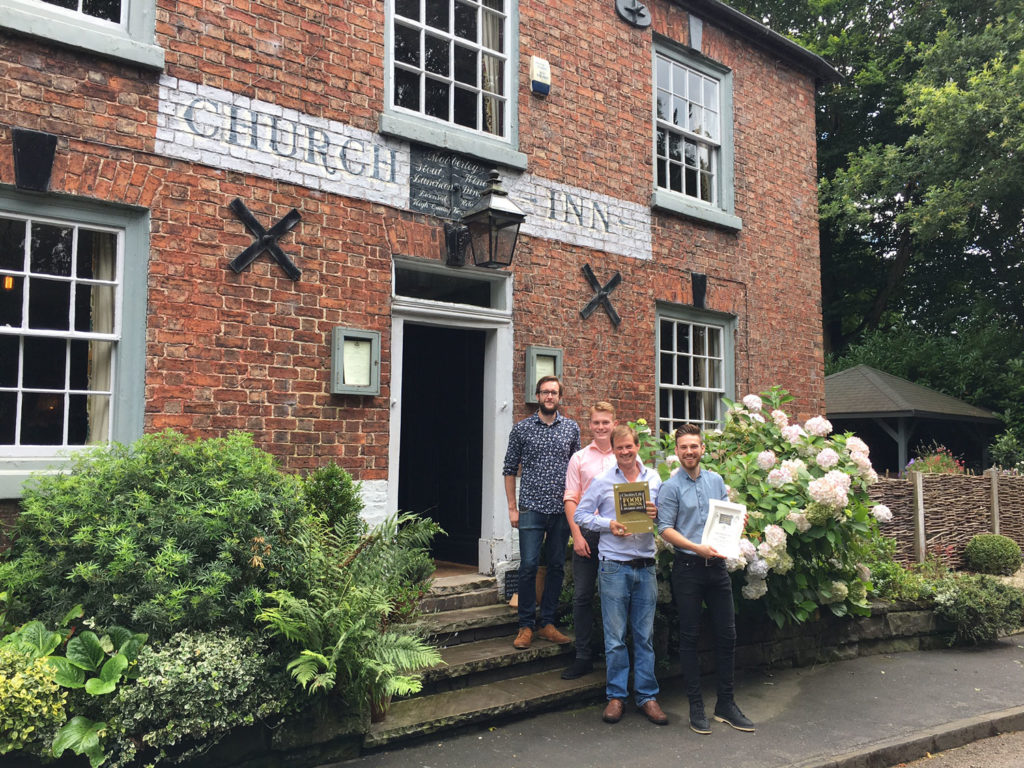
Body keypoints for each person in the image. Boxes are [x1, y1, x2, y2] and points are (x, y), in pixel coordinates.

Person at [656, 423, 755, 734]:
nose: (689, 452)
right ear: (676, 451)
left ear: (702, 449)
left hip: (718, 569)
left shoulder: (716, 480)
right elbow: (665, 529)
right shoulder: (670, 488)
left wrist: (739, 521)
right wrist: (695, 547)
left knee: (728, 636)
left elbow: (724, 517)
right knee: (689, 638)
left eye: (694, 446)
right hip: (687, 570)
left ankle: (725, 703)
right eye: (683, 447)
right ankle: (696, 706)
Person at [574, 424, 667, 726]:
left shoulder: (653, 478)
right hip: (613, 565)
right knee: (615, 638)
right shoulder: (602, 481)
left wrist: (656, 513)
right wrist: (607, 525)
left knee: (645, 636)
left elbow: (666, 517)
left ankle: (647, 697)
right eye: (619, 448)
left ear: (637, 446)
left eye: (630, 446)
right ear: (613, 450)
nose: (625, 452)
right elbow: (580, 515)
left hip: (645, 565)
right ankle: (616, 696)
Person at [502, 375, 581, 650]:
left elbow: (577, 469)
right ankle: (525, 625)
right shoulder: (521, 429)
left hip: (562, 510)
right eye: (545, 392)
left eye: (554, 392)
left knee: (557, 566)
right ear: (537, 396)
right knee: (528, 566)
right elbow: (509, 469)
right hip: (531, 508)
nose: (549, 396)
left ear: (560, 397)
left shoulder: (571, 429)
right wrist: (512, 508)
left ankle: (547, 623)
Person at [561, 401, 618, 679]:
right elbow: (571, 498)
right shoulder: (579, 459)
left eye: (605, 422)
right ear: (590, 424)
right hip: (587, 534)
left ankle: (613, 657)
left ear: (614, 424)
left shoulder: (626, 457)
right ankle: (583, 656)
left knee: (614, 597)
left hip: (617, 535)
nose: (600, 427)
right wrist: (577, 535)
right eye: (596, 422)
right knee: (583, 596)